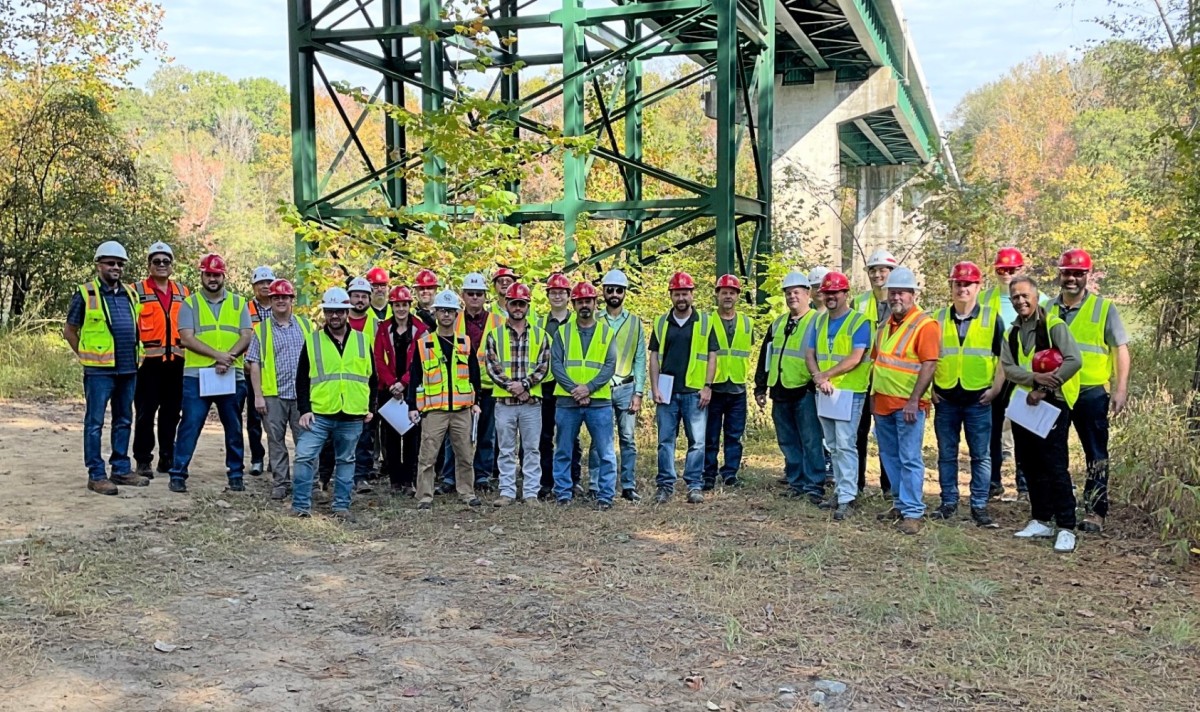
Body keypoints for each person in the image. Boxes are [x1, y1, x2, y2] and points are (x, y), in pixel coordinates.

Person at [1048, 248, 1131, 534]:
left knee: (1096, 453)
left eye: (1078, 273)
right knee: (1052, 452)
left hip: (1091, 392)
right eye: (1067, 272)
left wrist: (1120, 388)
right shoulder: (1047, 307)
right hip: (1055, 391)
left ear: (1087, 276)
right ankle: (1057, 508)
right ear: (1060, 274)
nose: (1071, 278)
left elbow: (1120, 348)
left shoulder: (1104, 309)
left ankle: (1095, 511)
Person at [1002, 275, 1083, 553]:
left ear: (1036, 297)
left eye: (1025, 296)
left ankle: (1066, 526)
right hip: (1024, 405)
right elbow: (1009, 368)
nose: (1020, 301)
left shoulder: (1054, 325)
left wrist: (1046, 387)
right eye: (1015, 297)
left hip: (1053, 404)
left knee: (1054, 464)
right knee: (1029, 463)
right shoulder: (1011, 332)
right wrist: (1034, 378)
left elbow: (1074, 360)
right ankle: (1040, 519)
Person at [64, 241, 147, 495]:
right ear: (99, 264)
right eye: (110, 263)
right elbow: (70, 331)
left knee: (124, 420)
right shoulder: (86, 293)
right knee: (95, 423)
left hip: (128, 369)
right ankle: (96, 475)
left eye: (120, 264)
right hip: (99, 372)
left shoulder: (131, 294)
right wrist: (86, 356)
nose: (116, 267)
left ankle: (120, 469)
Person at [290, 287, 377, 520]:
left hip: (352, 414)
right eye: (330, 311)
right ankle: (300, 507)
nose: (335, 316)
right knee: (304, 457)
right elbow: (301, 379)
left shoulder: (362, 340)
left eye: (339, 311)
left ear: (347, 312)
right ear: (324, 313)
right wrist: (305, 410)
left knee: (346, 461)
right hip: (319, 413)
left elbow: (372, 377)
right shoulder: (313, 341)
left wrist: (371, 407)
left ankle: (341, 507)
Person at [169, 253, 253, 494]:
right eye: (208, 274)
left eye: (216, 274)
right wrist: (218, 356)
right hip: (197, 375)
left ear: (223, 276)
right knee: (190, 424)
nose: (212, 279)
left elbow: (246, 335)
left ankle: (236, 474)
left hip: (231, 374)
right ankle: (178, 473)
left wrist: (229, 358)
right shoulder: (190, 303)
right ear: (202, 275)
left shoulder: (238, 303)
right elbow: (186, 337)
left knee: (234, 426)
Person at [930, 262, 1005, 527]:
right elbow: (925, 357)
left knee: (981, 455)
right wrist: (930, 389)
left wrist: (996, 389)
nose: (963, 288)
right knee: (946, 453)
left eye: (968, 284)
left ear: (978, 287)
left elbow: (1003, 358)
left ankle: (979, 505)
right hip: (946, 397)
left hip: (978, 399)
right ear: (951, 286)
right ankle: (948, 501)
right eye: (958, 283)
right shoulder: (937, 319)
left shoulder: (991, 318)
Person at [870, 267, 939, 535]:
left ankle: (913, 512)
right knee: (890, 456)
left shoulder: (925, 325)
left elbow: (929, 365)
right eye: (892, 292)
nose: (896, 296)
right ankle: (900, 504)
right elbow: (877, 363)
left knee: (910, 458)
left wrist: (913, 401)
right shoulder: (885, 325)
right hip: (884, 403)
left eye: (901, 292)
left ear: (912, 294)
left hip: (908, 406)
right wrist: (873, 399)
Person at [648, 271, 719, 504]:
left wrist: (708, 386)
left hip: (694, 391)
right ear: (671, 295)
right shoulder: (661, 322)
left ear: (692, 295)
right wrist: (655, 387)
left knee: (696, 441)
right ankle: (665, 485)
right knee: (665, 440)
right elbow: (654, 358)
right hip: (667, 392)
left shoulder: (705, 321)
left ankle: (694, 485)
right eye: (677, 293)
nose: (682, 298)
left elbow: (711, 357)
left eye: (685, 293)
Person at [408, 289, 483, 509]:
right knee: (428, 456)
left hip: (462, 409)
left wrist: (476, 401)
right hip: (434, 410)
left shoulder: (465, 342)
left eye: (450, 311)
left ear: (457, 314)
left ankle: (467, 493)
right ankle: (425, 496)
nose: (447, 315)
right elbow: (415, 377)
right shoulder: (425, 344)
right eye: (442, 311)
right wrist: (413, 406)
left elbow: (474, 375)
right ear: (436, 313)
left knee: (465, 455)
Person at [805, 272, 872, 519]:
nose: (831, 297)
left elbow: (855, 357)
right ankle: (841, 491)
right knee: (832, 444)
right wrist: (817, 377)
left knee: (845, 444)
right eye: (827, 292)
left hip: (849, 391)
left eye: (836, 292)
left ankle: (848, 497)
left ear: (846, 294)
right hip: (825, 391)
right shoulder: (819, 321)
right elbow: (810, 353)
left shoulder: (860, 322)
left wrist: (825, 375)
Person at [754, 271, 824, 506]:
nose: (792, 296)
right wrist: (760, 386)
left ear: (808, 294)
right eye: (788, 293)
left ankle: (814, 485)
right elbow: (766, 355)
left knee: (811, 440)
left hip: (805, 389)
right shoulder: (778, 323)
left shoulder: (818, 321)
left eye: (797, 292)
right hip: (780, 388)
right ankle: (796, 482)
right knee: (787, 440)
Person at [550, 281, 619, 509]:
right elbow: (556, 365)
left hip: (598, 401)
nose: (584, 305)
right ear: (574, 304)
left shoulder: (606, 333)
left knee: (606, 451)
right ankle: (562, 493)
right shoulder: (562, 332)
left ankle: (605, 496)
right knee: (563, 450)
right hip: (567, 401)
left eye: (588, 301)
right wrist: (576, 390)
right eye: (580, 302)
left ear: (595, 303)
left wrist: (588, 388)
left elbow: (610, 365)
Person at [485, 282, 550, 506]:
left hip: (531, 402)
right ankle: (507, 492)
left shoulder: (541, 335)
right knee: (505, 450)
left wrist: (524, 385)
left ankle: (531, 493)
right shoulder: (494, 335)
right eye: (514, 303)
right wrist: (512, 387)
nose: (518, 307)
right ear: (507, 304)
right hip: (504, 402)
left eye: (522, 303)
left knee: (532, 449)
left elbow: (543, 366)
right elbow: (492, 367)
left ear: (528, 305)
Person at [247, 279, 312, 500]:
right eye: (276, 297)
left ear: (292, 299)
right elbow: (253, 363)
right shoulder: (261, 330)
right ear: (271, 300)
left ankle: (308, 484)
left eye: (285, 297)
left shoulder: (306, 326)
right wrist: (258, 396)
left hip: (302, 397)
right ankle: (281, 483)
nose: (280, 301)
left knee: (306, 442)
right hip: (273, 396)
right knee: (276, 442)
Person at [131, 241, 189, 479]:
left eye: (166, 261)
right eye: (157, 261)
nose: (162, 265)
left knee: (172, 413)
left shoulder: (183, 292)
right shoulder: (135, 291)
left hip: (177, 363)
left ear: (172, 265)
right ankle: (143, 460)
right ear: (149, 264)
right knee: (145, 413)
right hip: (147, 365)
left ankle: (167, 457)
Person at [588, 269, 645, 502]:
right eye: (609, 289)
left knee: (628, 439)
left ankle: (628, 485)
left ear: (625, 293)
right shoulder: (594, 320)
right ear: (603, 292)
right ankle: (595, 483)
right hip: (600, 388)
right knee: (598, 439)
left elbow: (640, 357)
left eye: (618, 290)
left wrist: (639, 392)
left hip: (626, 387)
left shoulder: (634, 322)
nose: (614, 294)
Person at [444, 272, 503, 493]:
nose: (475, 298)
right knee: (455, 436)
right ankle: (451, 477)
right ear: (463, 296)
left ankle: (482, 476)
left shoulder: (498, 321)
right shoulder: (452, 319)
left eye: (479, 294)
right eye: (471, 294)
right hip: (459, 386)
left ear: (485, 296)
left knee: (487, 435)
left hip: (489, 386)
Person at [374, 285, 428, 496]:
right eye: (397, 305)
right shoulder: (383, 328)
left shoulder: (421, 330)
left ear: (409, 305)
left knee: (413, 436)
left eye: (404, 304)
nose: (401, 309)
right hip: (389, 390)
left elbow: (422, 359)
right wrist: (390, 383)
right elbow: (378, 358)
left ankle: (410, 480)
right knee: (391, 437)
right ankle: (395, 480)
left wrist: (405, 383)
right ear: (392, 306)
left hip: (412, 388)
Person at [982, 247, 1025, 500]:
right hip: (995, 373)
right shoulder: (986, 299)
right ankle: (994, 481)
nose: (1007, 274)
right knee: (993, 429)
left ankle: (1024, 482)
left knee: (1023, 429)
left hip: (1025, 374)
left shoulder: (1039, 299)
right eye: (1002, 270)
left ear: (1021, 269)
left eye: (1012, 269)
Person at [854, 248, 897, 497]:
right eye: (873, 270)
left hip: (890, 380)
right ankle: (857, 484)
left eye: (883, 270)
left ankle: (888, 486)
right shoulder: (859, 302)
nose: (878, 274)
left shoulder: (903, 302)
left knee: (887, 435)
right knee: (858, 435)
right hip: (861, 378)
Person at [704, 274, 754, 490]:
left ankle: (730, 473)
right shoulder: (706, 322)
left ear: (737, 297)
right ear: (717, 295)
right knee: (711, 435)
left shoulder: (747, 323)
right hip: (714, 388)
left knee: (734, 435)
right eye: (724, 292)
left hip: (737, 388)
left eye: (732, 293)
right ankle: (708, 473)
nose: (728, 296)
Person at [537, 272, 583, 498]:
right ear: (548, 295)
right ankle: (546, 480)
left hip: (569, 386)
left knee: (570, 435)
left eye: (561, 293)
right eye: (553, 292)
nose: (557, 296)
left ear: (568, 296)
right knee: (544, 435)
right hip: (545, 385)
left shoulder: (578, 323)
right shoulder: (538, 322)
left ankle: (573, 479)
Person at [345, 275, 380, 492]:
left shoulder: (377, 325)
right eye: (356, 296)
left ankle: (361, 476)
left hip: (365, 387)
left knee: (365, 435)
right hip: (338, 388)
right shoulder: (338, 319)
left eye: (363, 296)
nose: (359, 300)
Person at [243, 265, 276, 477]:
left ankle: (276, 459)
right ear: (254, 286)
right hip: (250, 370)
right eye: (261, 283)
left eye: (268, 283)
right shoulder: (244, 310)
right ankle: (257, 458)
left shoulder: (282, 307)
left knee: (277, 420)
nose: (265, 286)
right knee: (254, 418)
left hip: (276, 373)